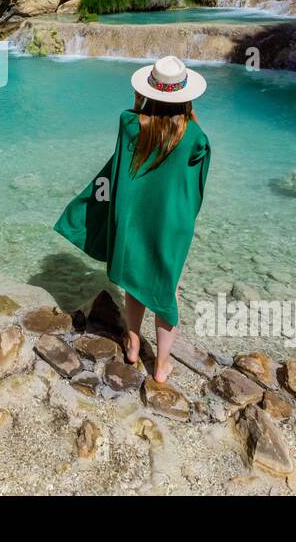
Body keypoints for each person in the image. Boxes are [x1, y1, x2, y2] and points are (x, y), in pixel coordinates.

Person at [54, 55, 211, 383]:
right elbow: (194, 190)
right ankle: (162, 366)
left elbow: (118, 171)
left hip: (134, 220)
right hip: (171, 225)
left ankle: (133, 342)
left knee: (136, 281)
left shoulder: (129, 123)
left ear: (147, 93)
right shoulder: (197, 139)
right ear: (185, 97)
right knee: (167, 288)